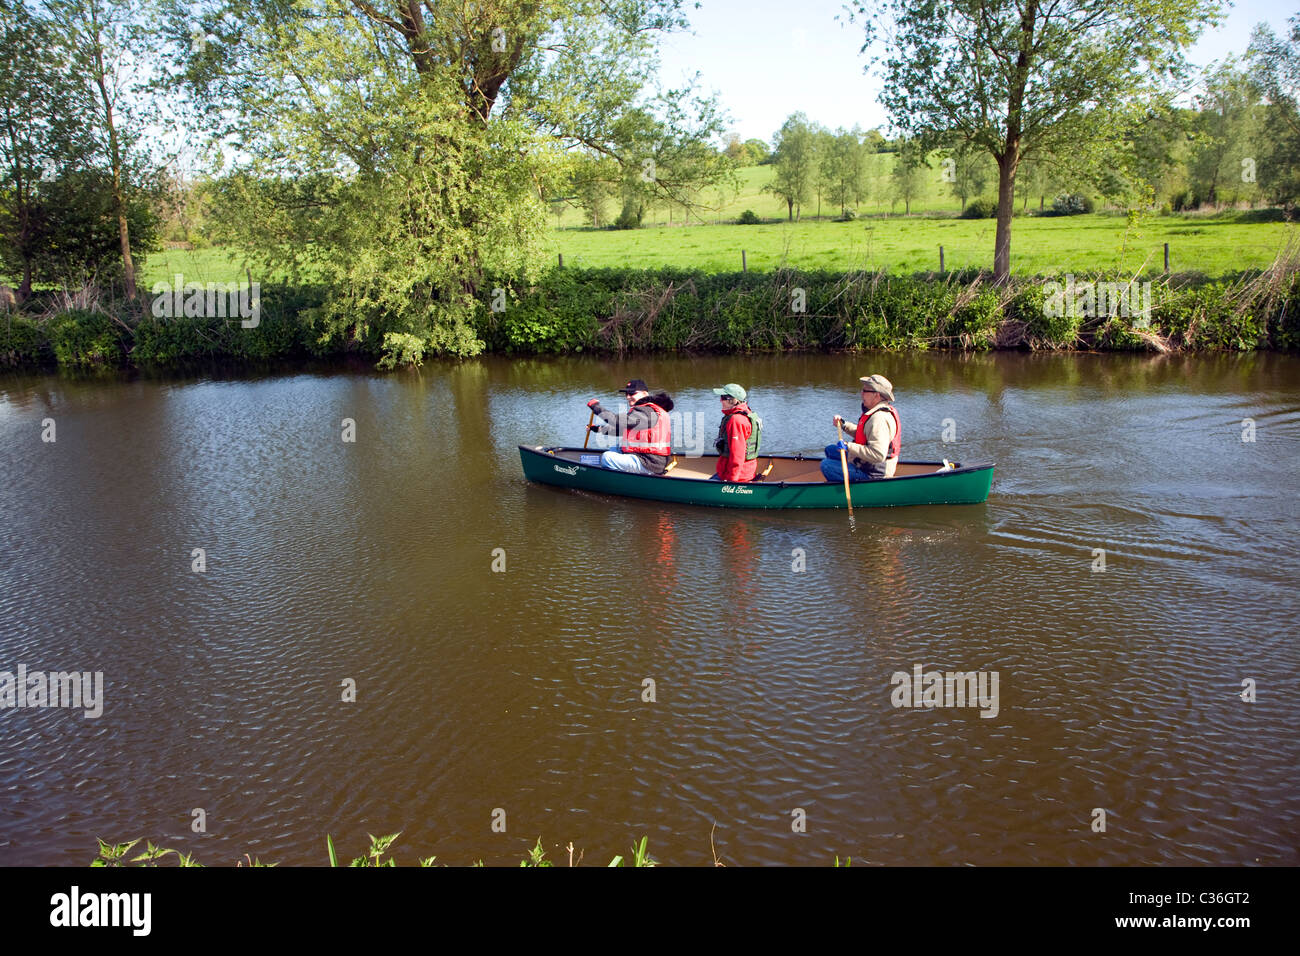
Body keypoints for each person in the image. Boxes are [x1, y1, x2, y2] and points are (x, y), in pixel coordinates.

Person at [820, 374, 900, 482]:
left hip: (873, 473)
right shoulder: (876, 412)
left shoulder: (879, 419)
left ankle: (846, 490)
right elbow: (865, 434)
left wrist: (848, 446)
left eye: (865, 391)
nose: (861, 393)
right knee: (830, 450)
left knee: (826, 465)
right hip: (865, 463)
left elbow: (878, 455)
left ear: (876, 395)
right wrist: (844, 425)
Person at [585, 379, 675, 475]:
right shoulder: (646, 409)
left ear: (644, 393)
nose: (628, 397)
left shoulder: (647, 412)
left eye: (632, 393)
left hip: (650, 464)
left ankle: (617, 481)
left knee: (607, 457)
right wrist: (598, 429)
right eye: (626, 394)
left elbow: (616, 421)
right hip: (645, 458)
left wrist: (596, 407)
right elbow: (622, 430)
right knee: (615, 449)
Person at [708, 383, 762, 482]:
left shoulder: (736, 420)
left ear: (734, 400)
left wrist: (731, 481)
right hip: (741, 472)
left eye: (723, 397)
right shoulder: (747, 412)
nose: (720, 400)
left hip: (735, 476)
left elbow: (738, 454)